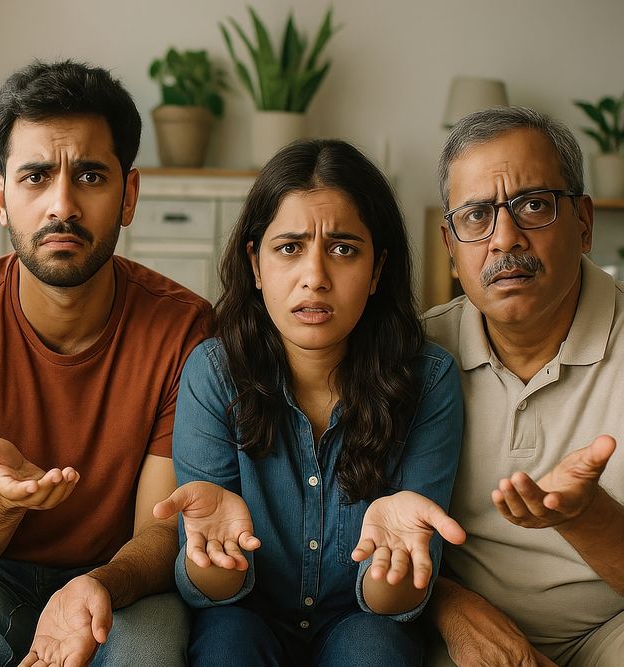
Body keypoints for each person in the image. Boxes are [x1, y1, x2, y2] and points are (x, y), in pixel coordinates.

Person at [0, 61, 213, 667]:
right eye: (36, 176)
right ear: (0, 198)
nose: (61, 205)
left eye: (91, 176)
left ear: (130, 195)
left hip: (121, 582)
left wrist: (98, 585)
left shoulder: (185, 330)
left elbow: (161, 529)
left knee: (148, 645)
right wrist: (2, 501)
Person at [152, 139, 466, 666]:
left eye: (343, 248)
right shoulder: (214, 373)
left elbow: (396, 605)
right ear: (255, 264)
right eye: (289, 247)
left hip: (364, 620)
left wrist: (401, 565)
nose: (315, 277)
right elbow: (211, 590)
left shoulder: (428, 380)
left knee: (375, 650)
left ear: (377, 270)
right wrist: (214, 557)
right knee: (227, 644)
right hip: (246, 616)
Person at [424, 106, 624, 665]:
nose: (504, 238)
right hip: (467, 625)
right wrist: (450, 609)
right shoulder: (419, 351)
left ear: (585, 223)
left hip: (623, 624)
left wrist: (584, 516)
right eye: (476, 216)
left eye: (534, 205)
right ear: (450, 247)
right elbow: (359, 537)